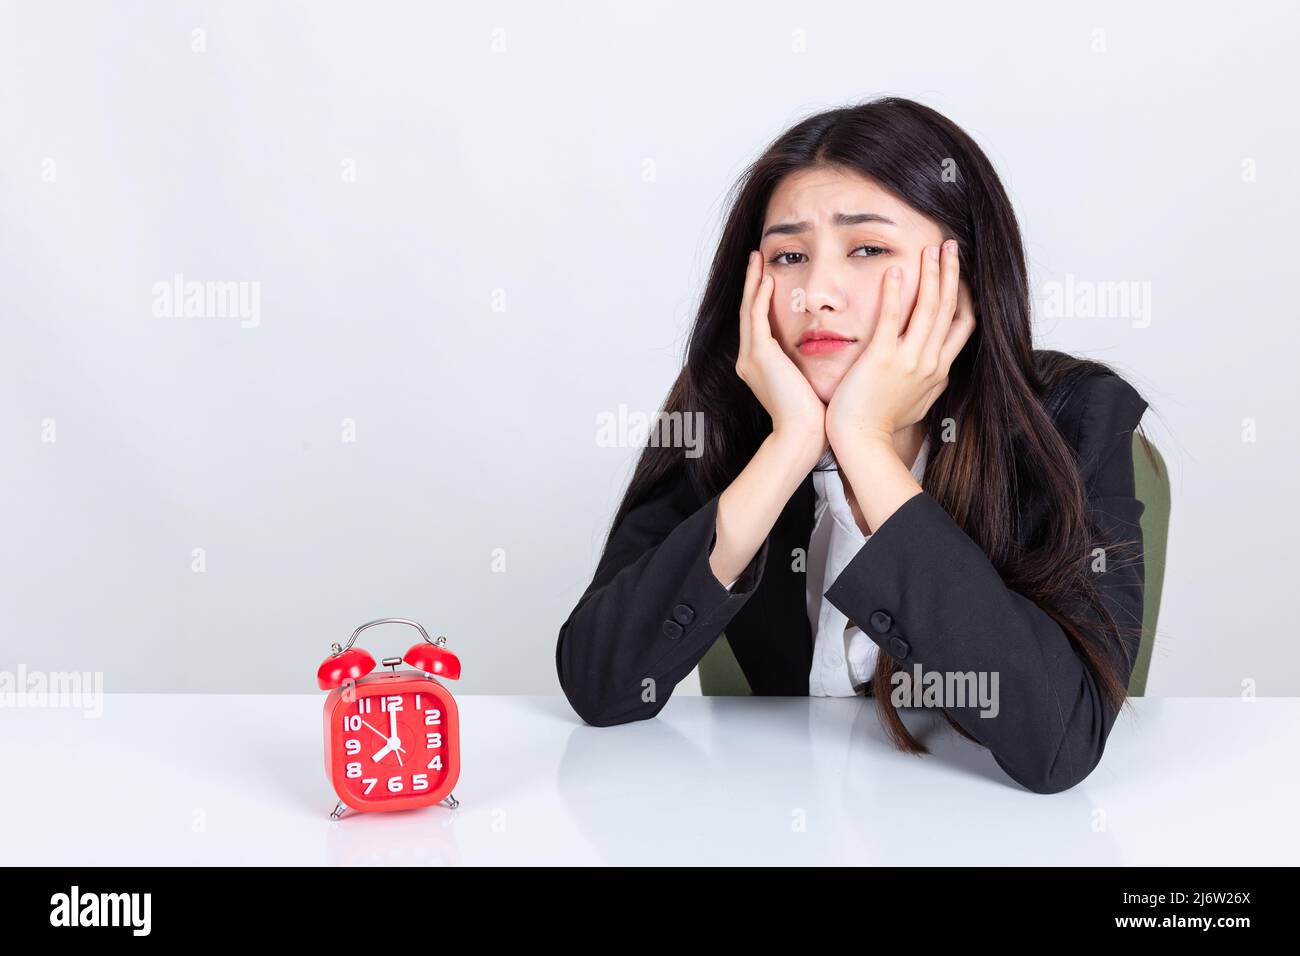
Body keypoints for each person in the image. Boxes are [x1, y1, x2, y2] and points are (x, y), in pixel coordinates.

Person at [555, 97, 1150, 794]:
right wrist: (790, 445)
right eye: (788, 256)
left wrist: (864, 447)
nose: (815, 294)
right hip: (776, 821)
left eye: (867, 248)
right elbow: (602, 685)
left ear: (964, 275)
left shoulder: (1075, 416)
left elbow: (1059, 745)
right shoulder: (722, 412)